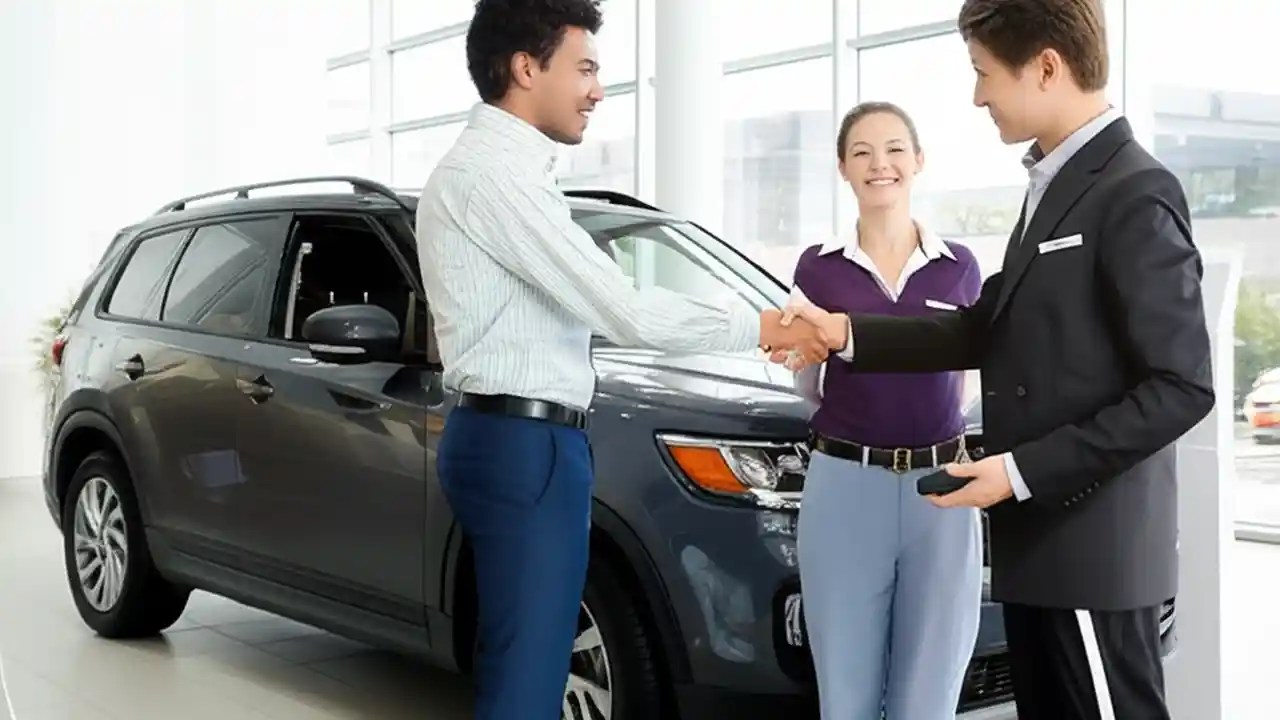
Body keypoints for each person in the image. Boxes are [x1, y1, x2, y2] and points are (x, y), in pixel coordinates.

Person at [778, 1, 1215, 718]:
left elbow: (1181, 387)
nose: (977, 95)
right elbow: (982, 330)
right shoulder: (1055, 190)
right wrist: (843, 334)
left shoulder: (1132, 191)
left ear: (1046, 66)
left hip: (1089, 557)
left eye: (984, 74)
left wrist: (1017, 472)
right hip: (1042, 547)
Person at [413, 1, 829, 718]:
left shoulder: (500, 173)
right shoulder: (497, 178)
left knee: (525, 657)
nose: (598, 90)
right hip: (525, 440)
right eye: (585, 68)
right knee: (528, 673)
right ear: (524, 68)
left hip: (514, 436)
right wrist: (763, 323)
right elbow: (624, 308)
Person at [783, 101, 984, 720]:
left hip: (942, 492)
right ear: (843, 167)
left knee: (929, 699)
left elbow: (970, 381)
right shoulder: (816, 268)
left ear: (918, 161)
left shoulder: (960, 268)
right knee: (845, 697)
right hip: (845, 487)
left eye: (896, 148)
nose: (880, 164)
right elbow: (808, 384)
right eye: (863, 152)